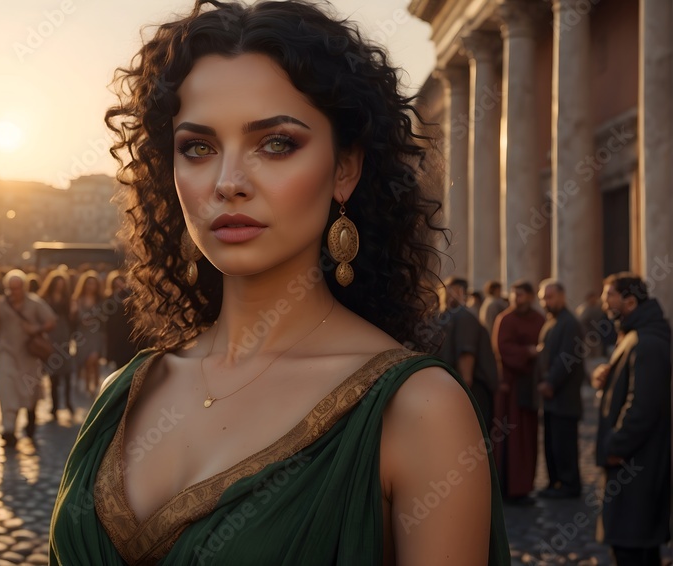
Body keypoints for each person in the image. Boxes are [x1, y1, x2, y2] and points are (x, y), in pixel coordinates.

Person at [48, 2, 510, 563]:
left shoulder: (419, 411)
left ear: (345, 169)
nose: (228, 183)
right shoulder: (121, 391)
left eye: (276, 144)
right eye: (198, 147)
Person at [593, 272, 671, 565]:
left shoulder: (648, 341)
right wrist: (608, 374)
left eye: (608, 296)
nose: (603, 303)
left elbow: (642, 406)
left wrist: (616, 446)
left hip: (637, 463)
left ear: (629, 302)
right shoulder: (636, 334)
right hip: (635, 463)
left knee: (632, 548)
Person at [0, 269, 57, 448]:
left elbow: (51, 320)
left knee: (28, 391)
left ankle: (30, 418)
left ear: (23, 287)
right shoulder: (1, 303)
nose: (14, 292)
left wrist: (37, 329)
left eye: (17, 288)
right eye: (11, 288)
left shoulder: (34, 303)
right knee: (7, 390)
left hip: (28, 355)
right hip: (6, 353)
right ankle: (9, 429)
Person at [491, 280, 544, 505]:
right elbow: (502, 348)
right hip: (510, 387)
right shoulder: (505, 319)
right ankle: (505, 485)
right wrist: (527, 353)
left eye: (520, 295)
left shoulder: (540, 320)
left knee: (527, 437)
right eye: (514, 295)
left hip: (529, 386)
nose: (516, 299)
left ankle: (523, 485)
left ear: (530, 297)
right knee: (507, 437)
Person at [535, 279, 583, 499]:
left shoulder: (569, 323)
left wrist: (551, 383)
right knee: (552, 444)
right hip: (551, 399)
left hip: (564, 396)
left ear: (562, 297)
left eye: (550, 297)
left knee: (564, 445)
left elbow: (567, 358)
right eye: (543, 297)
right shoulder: (551, 322)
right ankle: (555, 482)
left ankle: (569, 484)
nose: (545, 302)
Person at [434, 277, 499, 433]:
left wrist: (465, 388)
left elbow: (466, 352)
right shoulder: (443, 316)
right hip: (450, 387)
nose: (443, 293)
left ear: (459, 291)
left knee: (471, 433)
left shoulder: (464, 317)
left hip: (469, 389)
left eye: (448, 289)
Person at [38, 269, 75, 417]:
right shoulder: (46, 298)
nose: (59, 287)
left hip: (64, 335)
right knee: (52, 372)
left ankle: (67, 402)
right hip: (51, 335)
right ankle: (54, 405)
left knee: (66, 371)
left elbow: (72, 319)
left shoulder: (67, 299)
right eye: (57, 284)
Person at [71, 270, 106, 393]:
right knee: (86, 361)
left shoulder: (101, 299)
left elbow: (104, 315)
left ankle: (96, 385)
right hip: (83, 334)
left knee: (94, 359)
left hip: (96, 334)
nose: (91, 286)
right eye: (89, 283)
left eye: (93, 283)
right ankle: (88, 386)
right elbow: (75, 316)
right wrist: (80, 317)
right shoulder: (78, 299)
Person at [104, 270, 137, 370]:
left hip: (128, 331)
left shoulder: (130, 296)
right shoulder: (110, 298)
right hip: (115, 333)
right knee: (119, 362)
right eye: (116, 284)